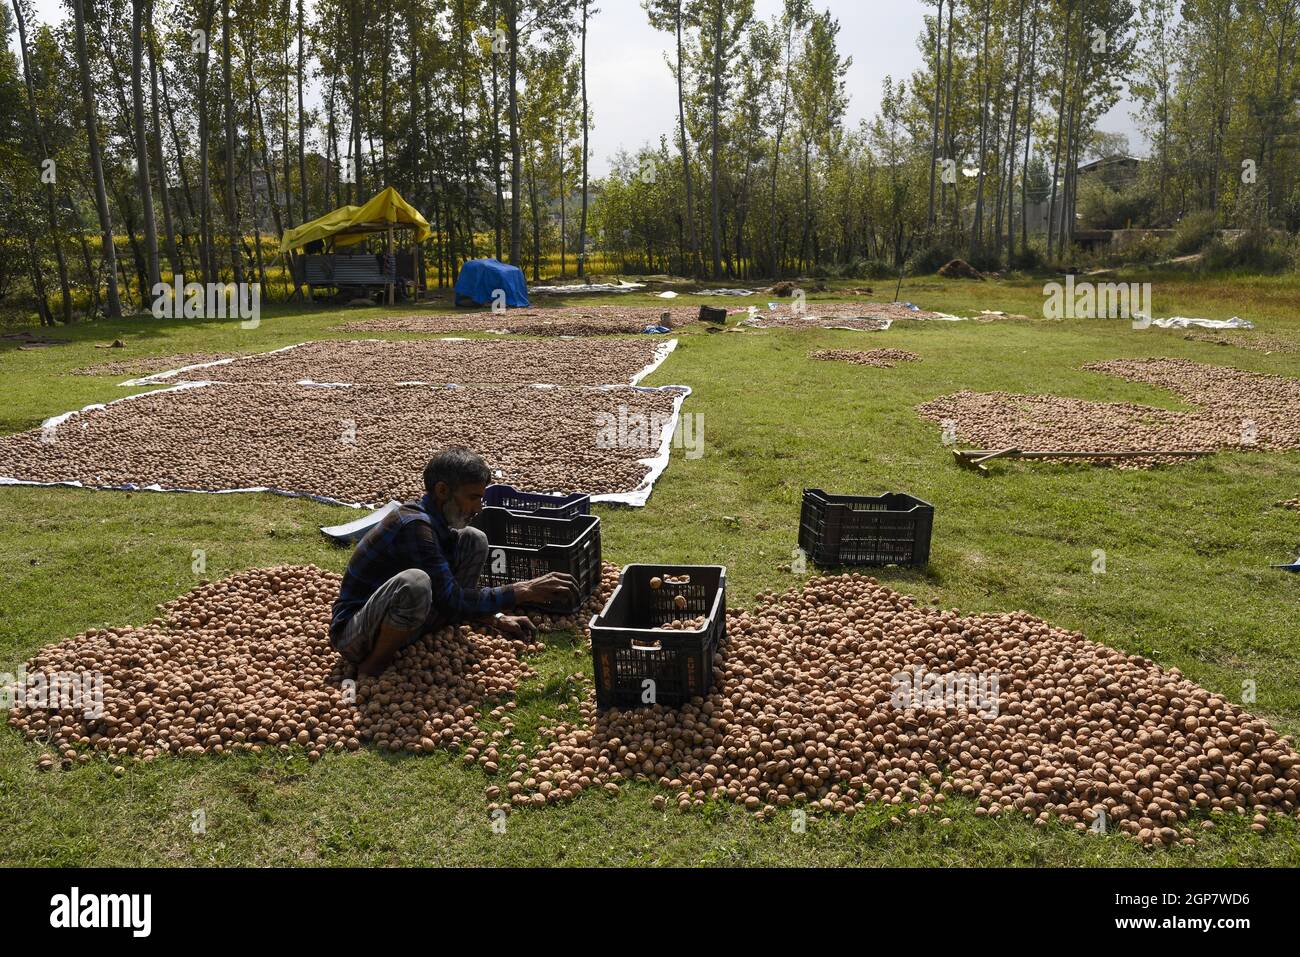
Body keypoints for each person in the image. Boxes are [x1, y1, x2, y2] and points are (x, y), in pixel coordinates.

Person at [330, 447, 578, 676]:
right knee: (415, 582)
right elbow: (450, 598)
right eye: (473, 497)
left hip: (406, 621)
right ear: (442, 491)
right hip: (357, 634)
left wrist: (496, 618)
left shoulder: (436, 524)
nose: (478, 508)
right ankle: (373, 666)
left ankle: (426, 632)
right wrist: (525, 590)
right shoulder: (414, 527)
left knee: (473, 539)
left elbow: (449, 592)